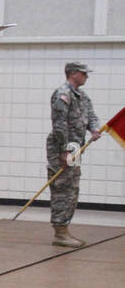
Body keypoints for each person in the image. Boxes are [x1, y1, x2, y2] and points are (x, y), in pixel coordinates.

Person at [47, 60, 100, 247]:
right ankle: (59, 232)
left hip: (76, 147)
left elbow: (91, 115)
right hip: (63, 148)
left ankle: (64, 229)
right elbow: (59, 124)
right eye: (83, 73)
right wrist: (64, 150)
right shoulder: (63, 95)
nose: (86, 76)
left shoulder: (82, 96)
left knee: (72, 188)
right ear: (72, 74)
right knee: (62, 188)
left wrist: (94, 129)